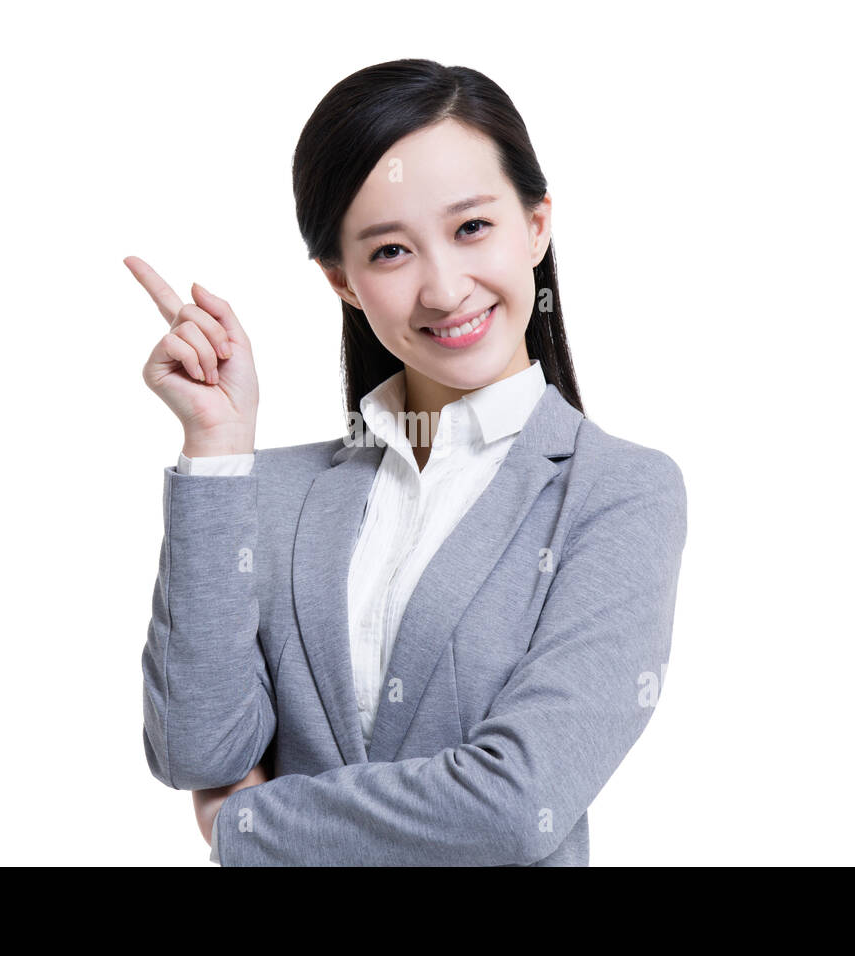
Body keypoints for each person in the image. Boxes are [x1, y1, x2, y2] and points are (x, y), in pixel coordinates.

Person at [129, 58, 688, 866]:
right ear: (343, 283)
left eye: (471, 228)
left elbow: (512, 808)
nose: (445, 289)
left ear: (536, 225)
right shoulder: (274, 493)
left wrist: (247, 825)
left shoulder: (618, 494)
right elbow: (195, 752)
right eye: (390, 251)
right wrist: (217, 454)